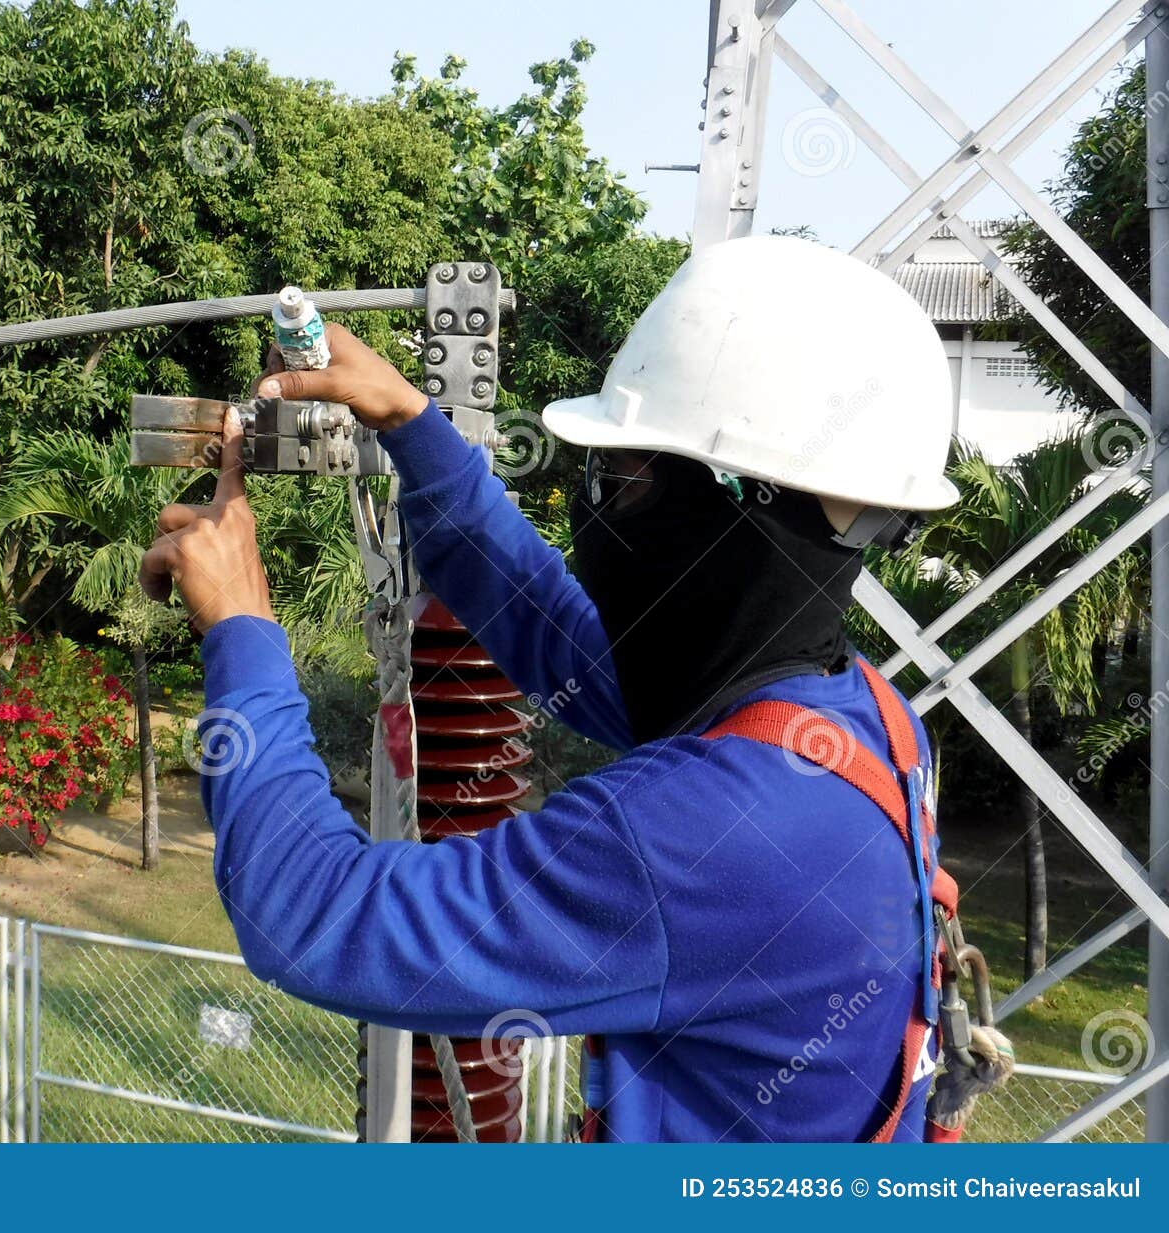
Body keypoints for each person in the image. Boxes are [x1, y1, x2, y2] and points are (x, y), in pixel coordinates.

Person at [139, 235, 960, 1142]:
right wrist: (411, 422)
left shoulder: (708, 835)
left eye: (627, 479)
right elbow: (559, 642)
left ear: (743, 507)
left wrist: (243, 629)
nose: (601, 510)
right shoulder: (861, 725)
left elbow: (314, 912)